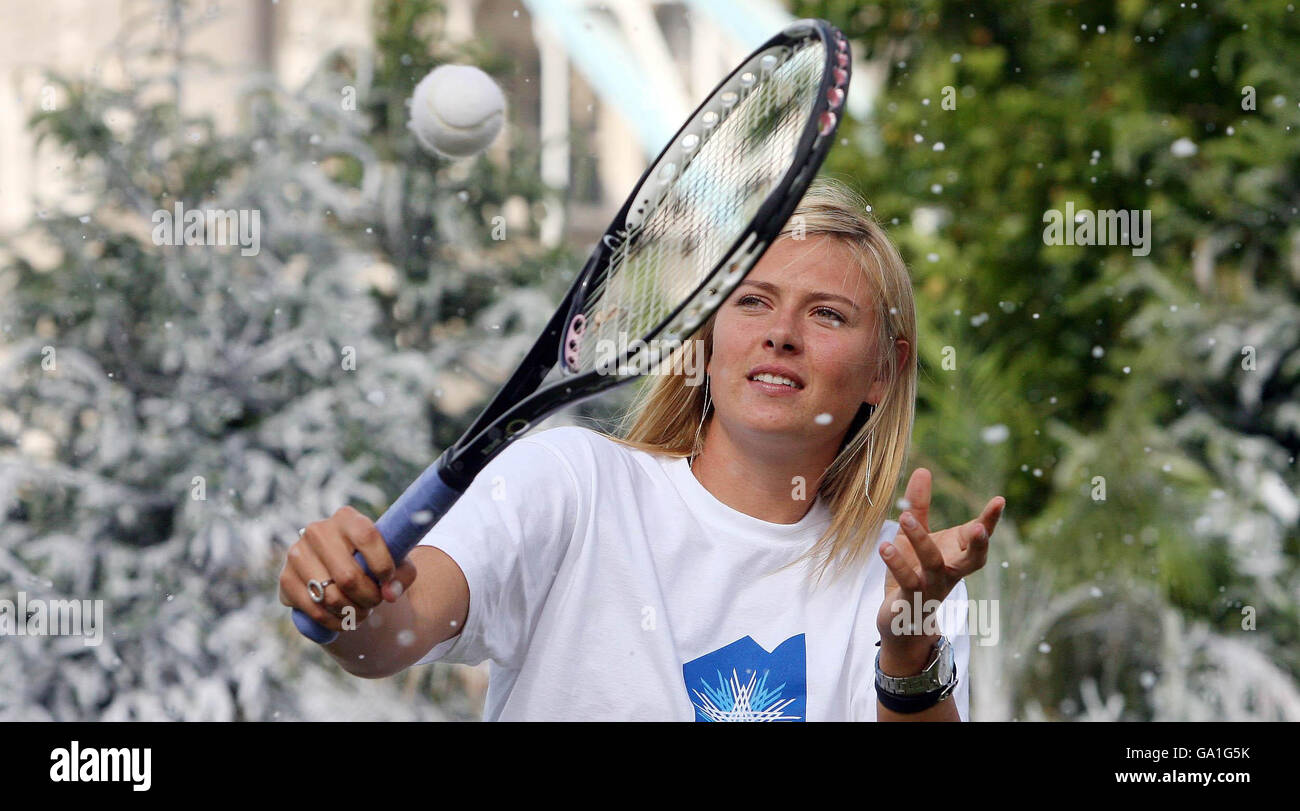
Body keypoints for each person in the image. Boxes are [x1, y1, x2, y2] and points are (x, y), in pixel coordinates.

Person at [279, 176, 1006, 721]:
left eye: (827, 313)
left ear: (883, 368)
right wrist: (346, 595)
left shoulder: (902, 584)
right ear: (709, 336)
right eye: (752, 299)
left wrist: (907, 653)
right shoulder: (572, 482)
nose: (781, 331)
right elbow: (388, 638)